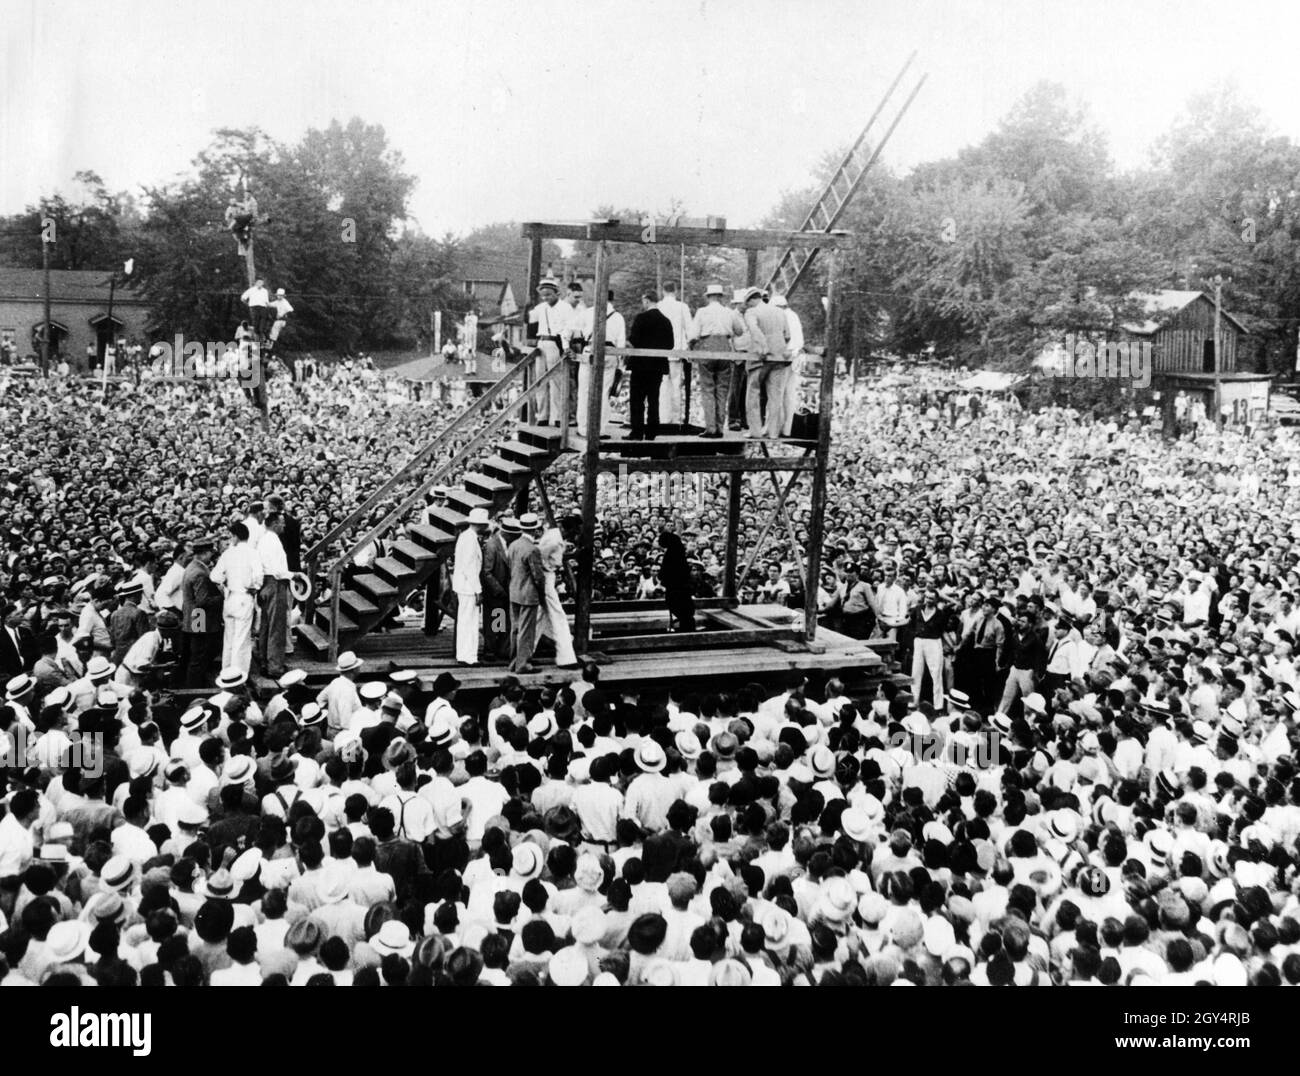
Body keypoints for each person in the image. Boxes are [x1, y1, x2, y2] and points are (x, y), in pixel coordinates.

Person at [689, 283, 747, 438]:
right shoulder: (729, 312)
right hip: (724, 348)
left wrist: (692, 347)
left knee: (708, 388)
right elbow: (740, 331)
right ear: (721, 297)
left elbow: (694, 334)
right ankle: (720, 427)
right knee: (722, 389)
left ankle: (710, 427)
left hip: (707, 346)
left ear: (708, 297)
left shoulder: (702, 312)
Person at [209, 522, 264, 678]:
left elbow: (215, 576)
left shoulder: (228, 553)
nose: (230, 539)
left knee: (229, 638)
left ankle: (226, 672)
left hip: (230, 597)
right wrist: (254, 586)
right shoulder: (252, 553)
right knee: (241, 639)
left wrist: (226, 583)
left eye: (231, 536)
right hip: (243, 597)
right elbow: (258, 576)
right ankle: (237, 675)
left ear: (236, 536)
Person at [742, 288, 792, 439]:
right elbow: (788, 336)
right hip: (779, 357)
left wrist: (763, 346)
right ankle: (773, 432)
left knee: (753, 393)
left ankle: (755, 431)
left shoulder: (752, 312)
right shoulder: (780, 312)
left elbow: (754, 329)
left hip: (760, 357)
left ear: (751, 300)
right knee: (775, 396)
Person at [576, 290, 627, 440]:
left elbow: (571, 330)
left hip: (589, 350)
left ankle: (583, 427)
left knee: (585, 391)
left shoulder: (587, 313)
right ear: (612, 300)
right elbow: (621, 343)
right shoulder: (618, 317)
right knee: (604, 392)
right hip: (610, 352)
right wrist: (619, 361)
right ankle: (600, 429)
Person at [626, 292, 674, 441]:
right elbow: (670, 345)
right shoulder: (666, 321)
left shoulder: (641, 318)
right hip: (657, 366)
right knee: (654, 399)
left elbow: (632, 340)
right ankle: (652, 432)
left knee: (637, 399)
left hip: (640, 365)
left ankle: (637, 432)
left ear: (646, 301)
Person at [535, 515, 579, 669]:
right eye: (572, 531)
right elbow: (536, 558)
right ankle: (566, 657)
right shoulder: (554, 540)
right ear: (564, 528)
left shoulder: (554, 536)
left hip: (546, 577)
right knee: (558, 616)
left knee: (539, 617)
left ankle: (525, 653)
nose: (572, 534)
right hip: (544, 578)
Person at [529, 278, 573, 426]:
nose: (546, 298)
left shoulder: (565, 308)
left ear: (557, 293)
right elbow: (529, 321)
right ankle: (542, 416)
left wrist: (566, 346)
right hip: (541, 343)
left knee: (557, 381)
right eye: (543, 295)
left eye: (549, 294)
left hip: (556, 342)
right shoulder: (541, 308)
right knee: (540, 380)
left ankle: (558, 416)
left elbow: (568, 328)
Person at [181, 536, 223, 688]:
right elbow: (202, 601)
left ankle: (193, 683)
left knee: (196, 655)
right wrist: (221, 595)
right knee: (199, 656)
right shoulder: (200, 573)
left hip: (194, 617)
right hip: (199, 618)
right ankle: (194, 687)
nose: (212, 556)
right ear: (204, 553)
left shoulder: (191, 567)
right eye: (210, 553)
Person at [507, 513, 546, 674]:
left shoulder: (513, 545)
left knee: (515, 628)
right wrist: (542, 593)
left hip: (514, 591)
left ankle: (514, 660)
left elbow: (511, 566)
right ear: (535, 530)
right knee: (526, 630)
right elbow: (538, 576)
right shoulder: (532, 549)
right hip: (528, 594)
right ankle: (522, 664)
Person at [452, 508, 490, 666]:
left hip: (464, 584)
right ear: (481, 525)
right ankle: (469, 656)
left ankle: (464, 654)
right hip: (468, 586)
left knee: (465, 621)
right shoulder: (470, 539)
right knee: (470, 621)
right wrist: (478, 590)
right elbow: (470, 568)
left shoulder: (465, 536)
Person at [256, 512, 291, 678]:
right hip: (275, 583)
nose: (284, 526)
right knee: (276, 627)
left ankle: (265, 662)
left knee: (266, 626)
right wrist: (293, 575)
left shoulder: (264, 540)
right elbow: (277, 570)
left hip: (266, 583)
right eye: (282, 523)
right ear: (275, 523)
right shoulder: (272, 541)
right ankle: (275, 667)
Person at [657, 282, 692, 427]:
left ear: (663, 291)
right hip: (677, 350)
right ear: (676, 291)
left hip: (660, 351)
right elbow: (689, 329)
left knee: (662, 385)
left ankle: (663, 417)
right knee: (676, 385)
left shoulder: (658, 306)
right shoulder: (682, 307)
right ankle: (675, 419)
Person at [481, 517, 515, 662]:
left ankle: (499, 648)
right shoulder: (492, 545)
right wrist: (499, 590)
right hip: (495, 592)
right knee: (494, 621)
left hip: (504, 590)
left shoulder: (505, 544)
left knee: (500, 621)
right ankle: (490, 649)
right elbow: (487, 572)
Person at [771, 293, 805, 436]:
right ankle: (787, 429)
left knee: (778, 393)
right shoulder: (794, 315)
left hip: (786, 357)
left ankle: (776, 427)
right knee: (789, 394)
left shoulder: (782, 316)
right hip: (796, 356)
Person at [658, 529, 694, 632]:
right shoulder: (679, 551)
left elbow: (663, 574)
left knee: (681, 612)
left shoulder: (670, 554)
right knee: (686, 614)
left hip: (674, 589)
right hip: (683, 589)